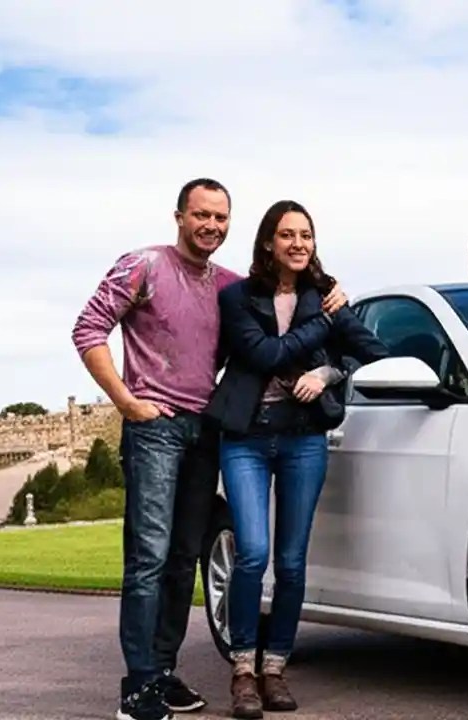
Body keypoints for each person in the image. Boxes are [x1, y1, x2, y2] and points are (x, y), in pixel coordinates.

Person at [71, 180, 349, 720]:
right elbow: (88, 329)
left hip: (208, 429)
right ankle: (138, 686)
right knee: (149, 557)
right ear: (179, 216)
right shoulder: (143, 265)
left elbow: (280, 305)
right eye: (201, 215)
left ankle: (163, 671)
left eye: (221, 218)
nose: (211, 226)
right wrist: (126, 402)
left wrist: (332, 292)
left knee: (183, 557)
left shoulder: (228, 286)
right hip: (155, 428)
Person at [203, 200, 389, 718]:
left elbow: (375, 352)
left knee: (290, 561)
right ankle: (243, 670)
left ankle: (275, 668)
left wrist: (328, 374)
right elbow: (267, 354)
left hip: (304, 439)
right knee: (252, 553)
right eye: (287, 235)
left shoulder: (326, 297)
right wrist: (325, 325)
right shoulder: (237, 297)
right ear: (269, 242)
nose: (298, 243)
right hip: (246, 438)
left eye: (306, 234)